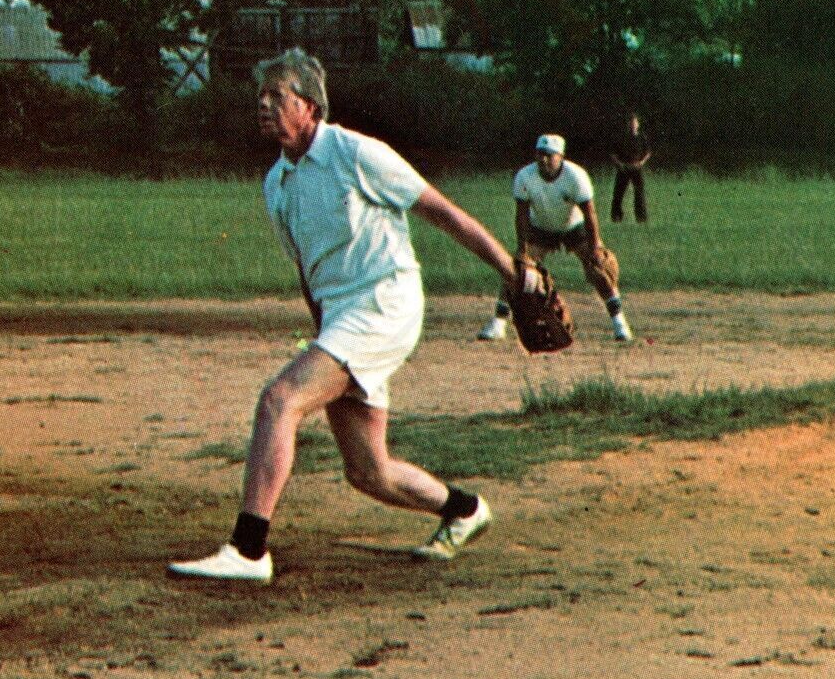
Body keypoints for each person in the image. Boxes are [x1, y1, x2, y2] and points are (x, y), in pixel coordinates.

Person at [168, 48, 535, 584]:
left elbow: (442, 211)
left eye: (278, 96)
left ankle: (248, 550)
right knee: (368, 471)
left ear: (310, 106)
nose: (265, 105)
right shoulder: (278, 183)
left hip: (386, 301)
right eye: (261, 97)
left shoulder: (356, 152)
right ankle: (464, 511)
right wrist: (323, 336)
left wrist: (512, 272)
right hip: (342, 317)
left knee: (279, 400)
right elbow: (309, 274)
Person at [476, 134, 633, 343]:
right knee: (517, 270)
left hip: (573, 227)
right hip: (540, 228)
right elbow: (521, 215)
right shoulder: (525, 176)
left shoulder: (575, 176)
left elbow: (590, 213)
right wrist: (522, 248)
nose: (543, 159)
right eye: (540, 154)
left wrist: (596, 245)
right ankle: (498, 323)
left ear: (561, 156)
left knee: (599, 269)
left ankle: (620, 323)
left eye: (549, 155)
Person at [610, 112, 651, 224]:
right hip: (624, 168)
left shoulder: (642, 137)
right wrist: (619, 164)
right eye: (631, 122)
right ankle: (616, 217)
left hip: (637, 168)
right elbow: (613, 154)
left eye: (635, 122)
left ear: (638, 124)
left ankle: (641, 219)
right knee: (618, 193)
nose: (633, 124)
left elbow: (647, 152)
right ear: (628, 124)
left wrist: (641, 162)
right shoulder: (622, 137)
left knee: (639, 194)